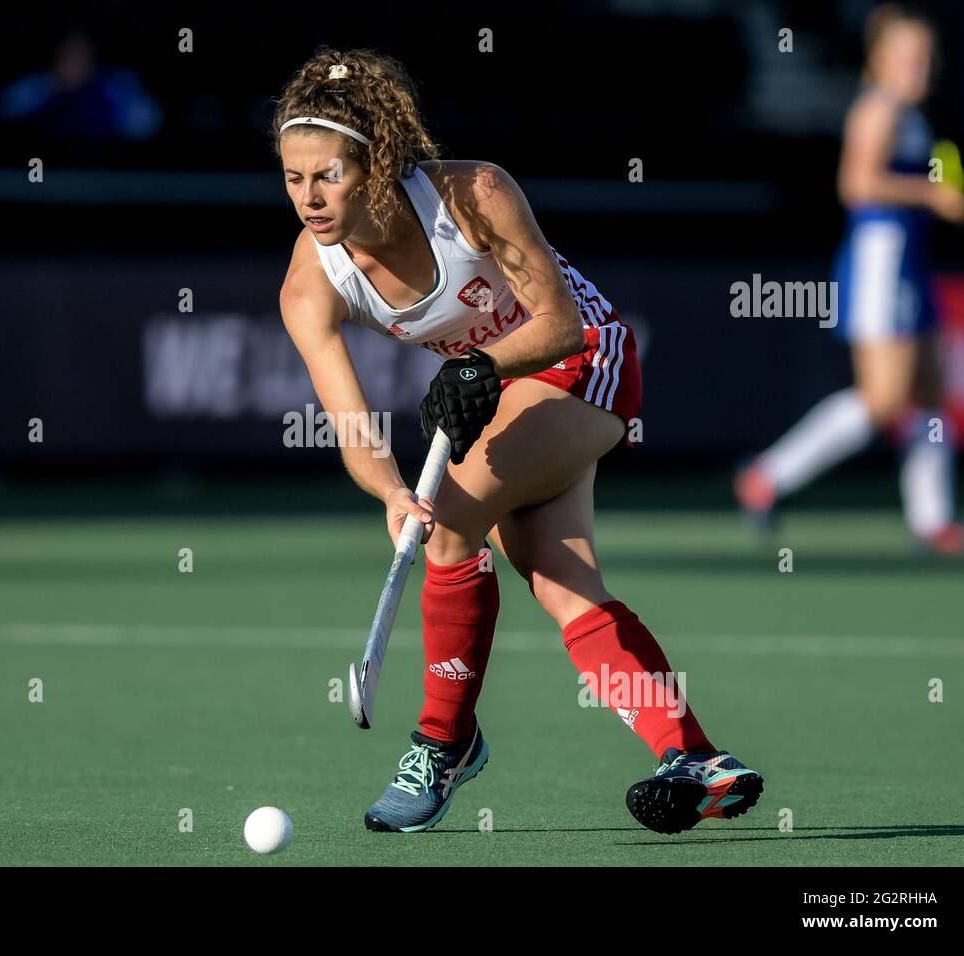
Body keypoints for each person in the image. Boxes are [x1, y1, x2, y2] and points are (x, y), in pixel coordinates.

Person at [274, 48, 763, 835]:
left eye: (327, 174)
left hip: (589, 362)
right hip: (503, 393)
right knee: (564, 582)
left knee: (458, 510)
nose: (310, 198)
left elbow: (562, 323)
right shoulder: (311, 280)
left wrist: (477, 368)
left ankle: (443, 741)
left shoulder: (473, 195)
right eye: (294, 179)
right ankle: (693, 756)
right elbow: (353, 423)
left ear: (378, 162)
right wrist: (393, 493)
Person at [736, 5, 964, 552]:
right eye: (909, 56)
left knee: (933, 390)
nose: (922, 66)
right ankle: (768, 477)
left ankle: (933, 519)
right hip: (881, 261)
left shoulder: (912, 115)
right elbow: (858, 184)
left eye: (927, 56)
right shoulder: (879, 109)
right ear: (881, 58)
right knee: (883, 398)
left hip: (910, 261)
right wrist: (933, 195)